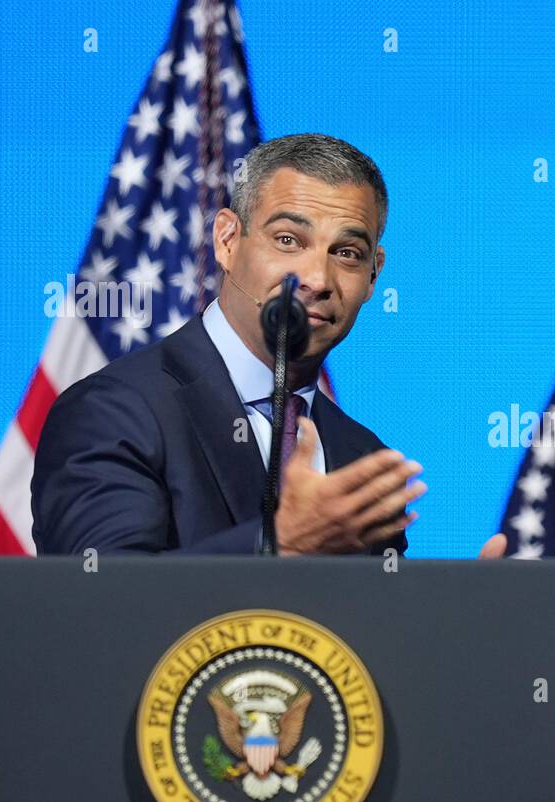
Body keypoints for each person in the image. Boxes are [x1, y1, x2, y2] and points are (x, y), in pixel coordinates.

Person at [33, 133, 506, 558]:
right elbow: (103, 599)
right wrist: (282, 544)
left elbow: (368, 625)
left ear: (373, 275)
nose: (318, 279)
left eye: (347, 254)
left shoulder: (360, 455)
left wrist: (458, 614)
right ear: (227, 240)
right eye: (288, 240)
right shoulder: (114, 410)